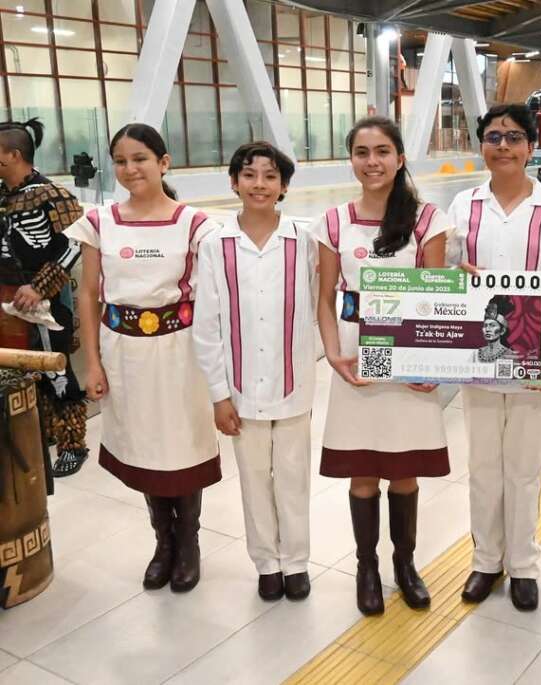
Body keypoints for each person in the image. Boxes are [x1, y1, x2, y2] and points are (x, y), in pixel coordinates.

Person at [65, 123, 221, 593]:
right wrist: (92, 362)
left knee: (182, 444)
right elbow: (89, 295)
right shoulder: (100, 222)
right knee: (145, 446)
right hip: (124, 350)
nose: (130, 169)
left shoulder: (195, 224)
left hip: (181, 351)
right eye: (121, 161)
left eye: (140, 159)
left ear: (164, 162)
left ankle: (189, 542)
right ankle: (164, 542)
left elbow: (215, 298)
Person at [311, 116, 452, 615]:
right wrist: (332, 352)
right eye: (362, 152)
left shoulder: (427, 219)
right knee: (363, 471)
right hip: (355, 353)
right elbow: (325, 298)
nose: (372, 162)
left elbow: (436, 297)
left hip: (407, 353)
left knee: (405, 471)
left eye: (382, 151)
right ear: (351, 159)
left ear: (400, 158)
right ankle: (366, 567)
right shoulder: (333, 222)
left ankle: (405, 564)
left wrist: (429, 362)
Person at [447, 103, 541, 611]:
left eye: (514, 137)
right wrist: (453, 276)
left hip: (532, 363)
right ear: (482, 144)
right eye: (494, 136)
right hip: (478, 360)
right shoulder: (463, 207)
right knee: (483, 467)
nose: (503, 146)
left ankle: (523, 564)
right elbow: (445, 275)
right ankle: (486, 560)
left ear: (531, 146)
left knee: (524, 468)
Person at [192, 142, 316, 602]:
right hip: (240, 392)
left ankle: (296, 562)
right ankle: (266, 563)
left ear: (284, 186)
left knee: (292, 475)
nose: (259, 184)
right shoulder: (216, 244)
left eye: (269, 176)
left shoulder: (305, 241)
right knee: (252, 479)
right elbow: (206, 327)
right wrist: (219, 395)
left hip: (294, 385)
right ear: (233, 182)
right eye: (249, 175)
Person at [0, 118, 88, 478]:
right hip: (8, 300)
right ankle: (46, 430)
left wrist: (40, 286)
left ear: (13, 155)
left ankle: (73, 443)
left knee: (56, 368)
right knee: (23, 368)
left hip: (46, 300)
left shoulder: (53, 195)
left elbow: (77, 243)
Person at [475, 295, 516, 363]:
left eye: (492, 325)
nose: (487, 329)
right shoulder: (476, 354)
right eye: (485, 325)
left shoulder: (510, 355)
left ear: (502, 331)